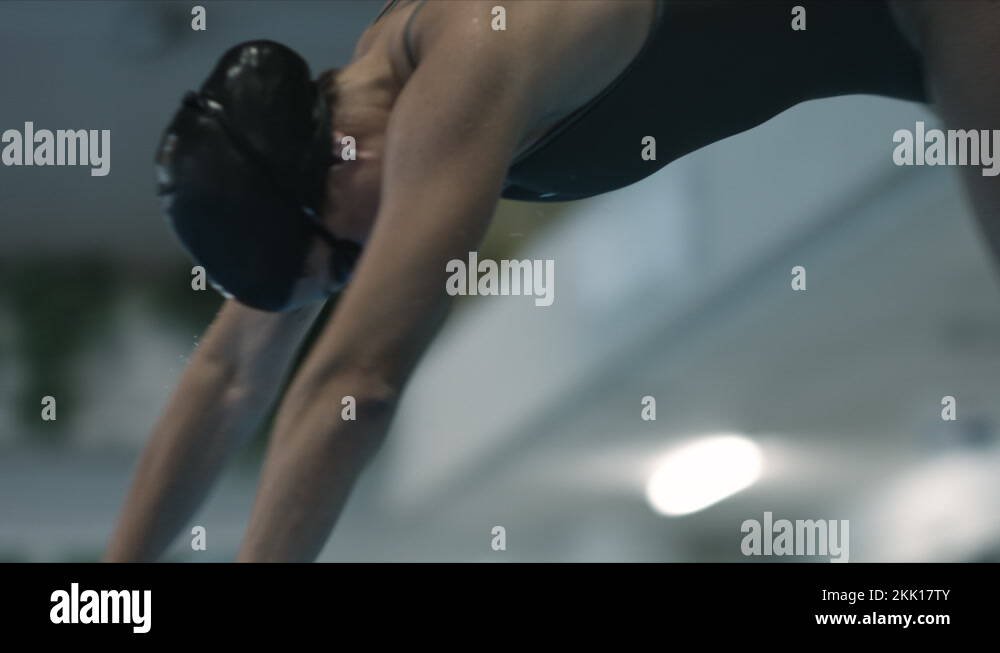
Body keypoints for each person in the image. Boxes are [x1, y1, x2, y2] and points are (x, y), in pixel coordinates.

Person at [105, 0, 998, 561]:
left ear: (336, 161)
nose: (364, 273)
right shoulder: (346, 141)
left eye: (343, 259)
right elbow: (226, 377)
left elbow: (357, 386)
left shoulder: (466, 58)